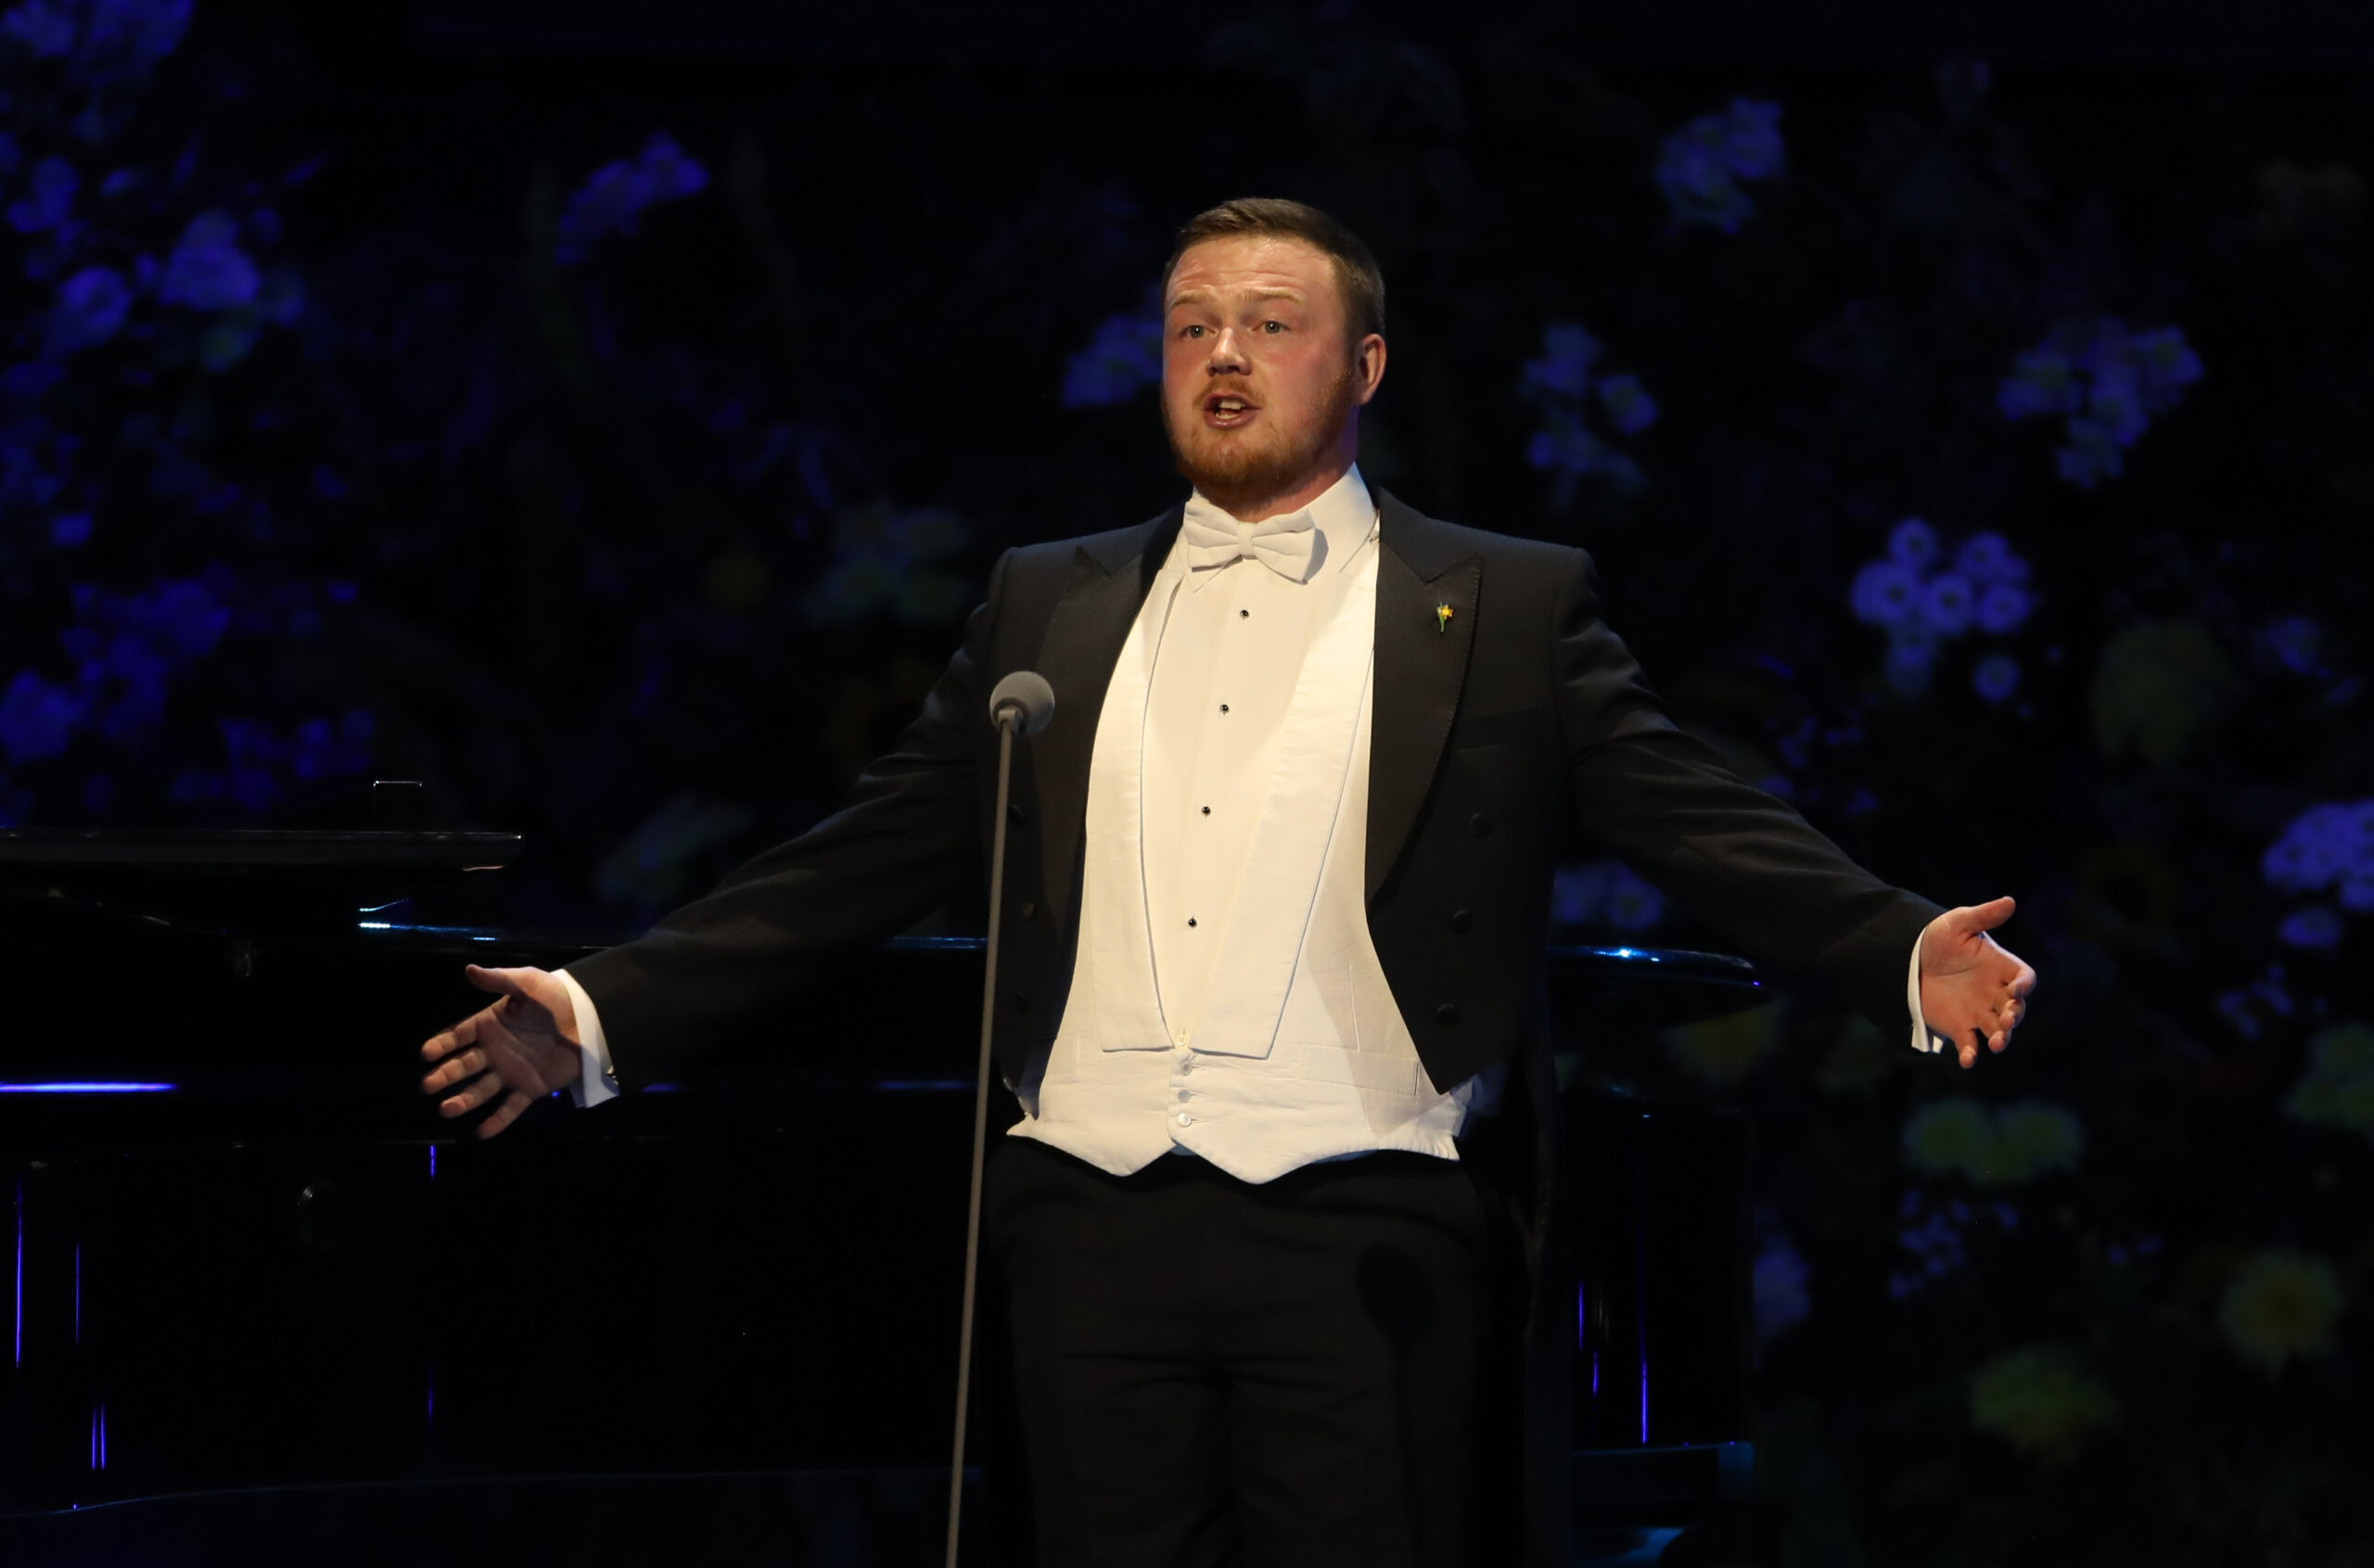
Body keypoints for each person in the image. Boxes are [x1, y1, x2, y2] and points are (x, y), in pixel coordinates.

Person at [418, 198, 2036, 1568]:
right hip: (1085, 1218)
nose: (1225, 357)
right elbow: (876, 850)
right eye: (1192, 328)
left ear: (1365, 365)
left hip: (1365, 1223)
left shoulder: (1510, 607)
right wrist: (601, 1002)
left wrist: (1899, 945)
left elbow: (1690, 814)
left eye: (1269, 323)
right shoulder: (1046, 603)